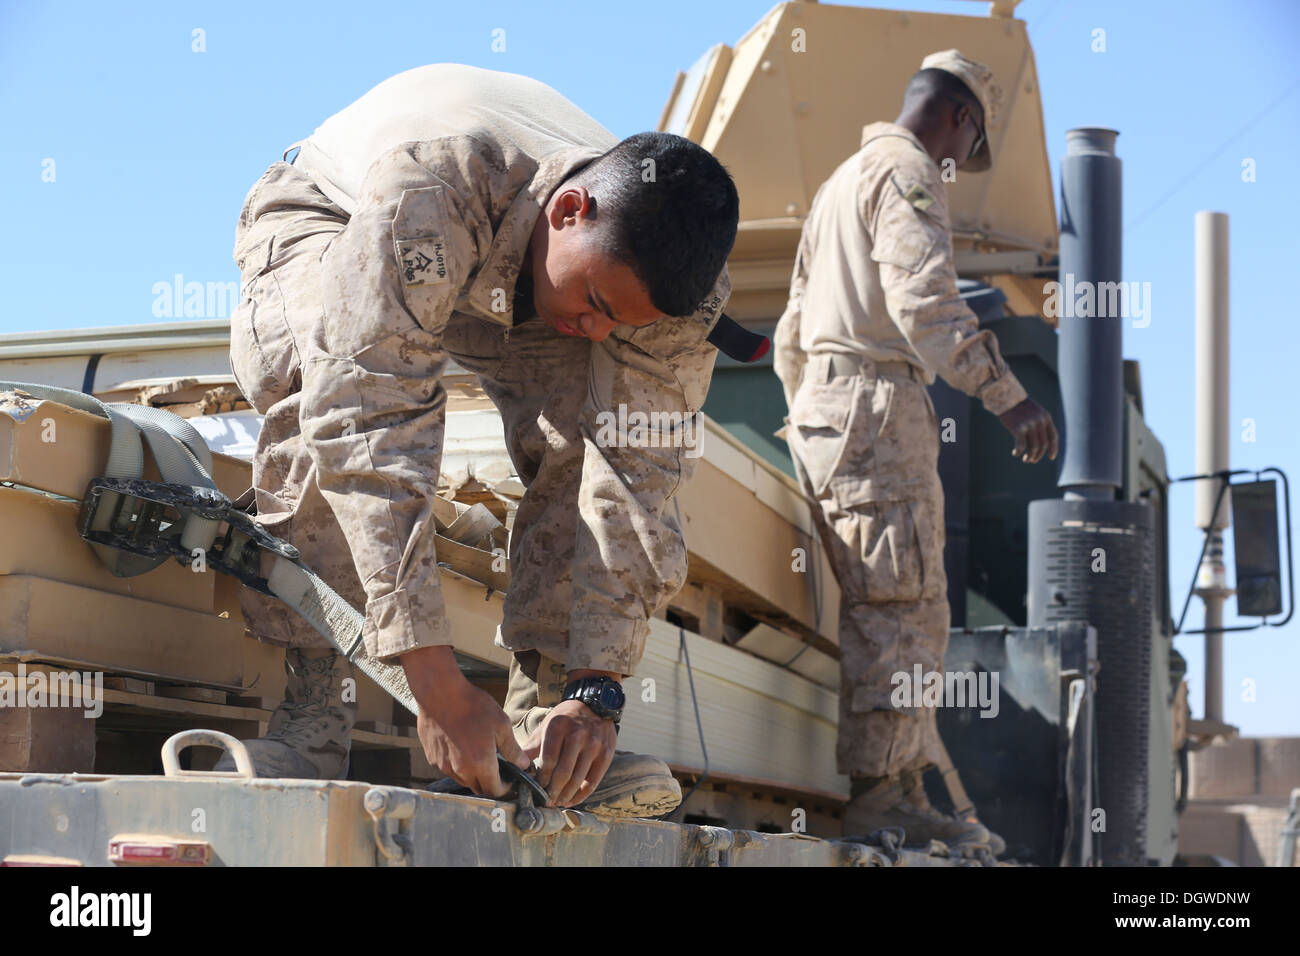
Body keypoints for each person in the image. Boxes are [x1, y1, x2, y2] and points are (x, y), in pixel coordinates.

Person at [218, 64, 743, 818]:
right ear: (570, 210)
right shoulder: (435, 186)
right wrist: (434, 682)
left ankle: (547, 741)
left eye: (624, 321)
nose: (599, 329)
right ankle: (311, 719)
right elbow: (366, 418)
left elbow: (638, 478)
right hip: (332, 212)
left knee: (588, 432)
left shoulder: (677, 298)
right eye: (597, 302)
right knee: (317, 393)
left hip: (512, 263)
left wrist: (598, 691)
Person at [773, 50, 1058, 849]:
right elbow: (924, 301)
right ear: (963, 120)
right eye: (972, 149)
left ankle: (897, 783)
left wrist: (811, 417)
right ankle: (881, 796)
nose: (963, 166)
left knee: (887, 600)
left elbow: (792, 326)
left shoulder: (840, 183)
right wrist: (1009, 395)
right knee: (906, 607)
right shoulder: (911, 175)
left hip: (834, 406)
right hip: (875, 402)